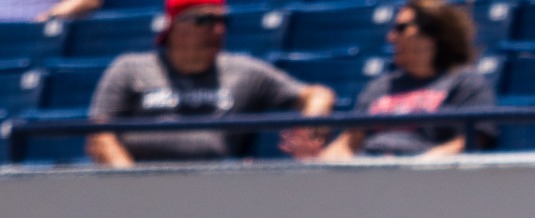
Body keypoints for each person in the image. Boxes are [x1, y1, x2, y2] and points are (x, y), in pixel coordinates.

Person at [88, 0, 335, 167]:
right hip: (138, 186)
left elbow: (317, 94)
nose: (217, 30)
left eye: (223, 22)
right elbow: (100, 135)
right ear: (174, 25)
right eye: (204, 21)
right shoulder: (129, 69)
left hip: (217, 190)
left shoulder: (244, 71)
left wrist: (311, 122)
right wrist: (130, 184)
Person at [316, 0, 495, 160]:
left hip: (429, 180)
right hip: (370, 174)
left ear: (432, 35)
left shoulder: (465, 82)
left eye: (401, 28)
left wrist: (418, 167)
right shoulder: (380, 86)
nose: (391, 38)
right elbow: (349, 141)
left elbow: (472, 140)